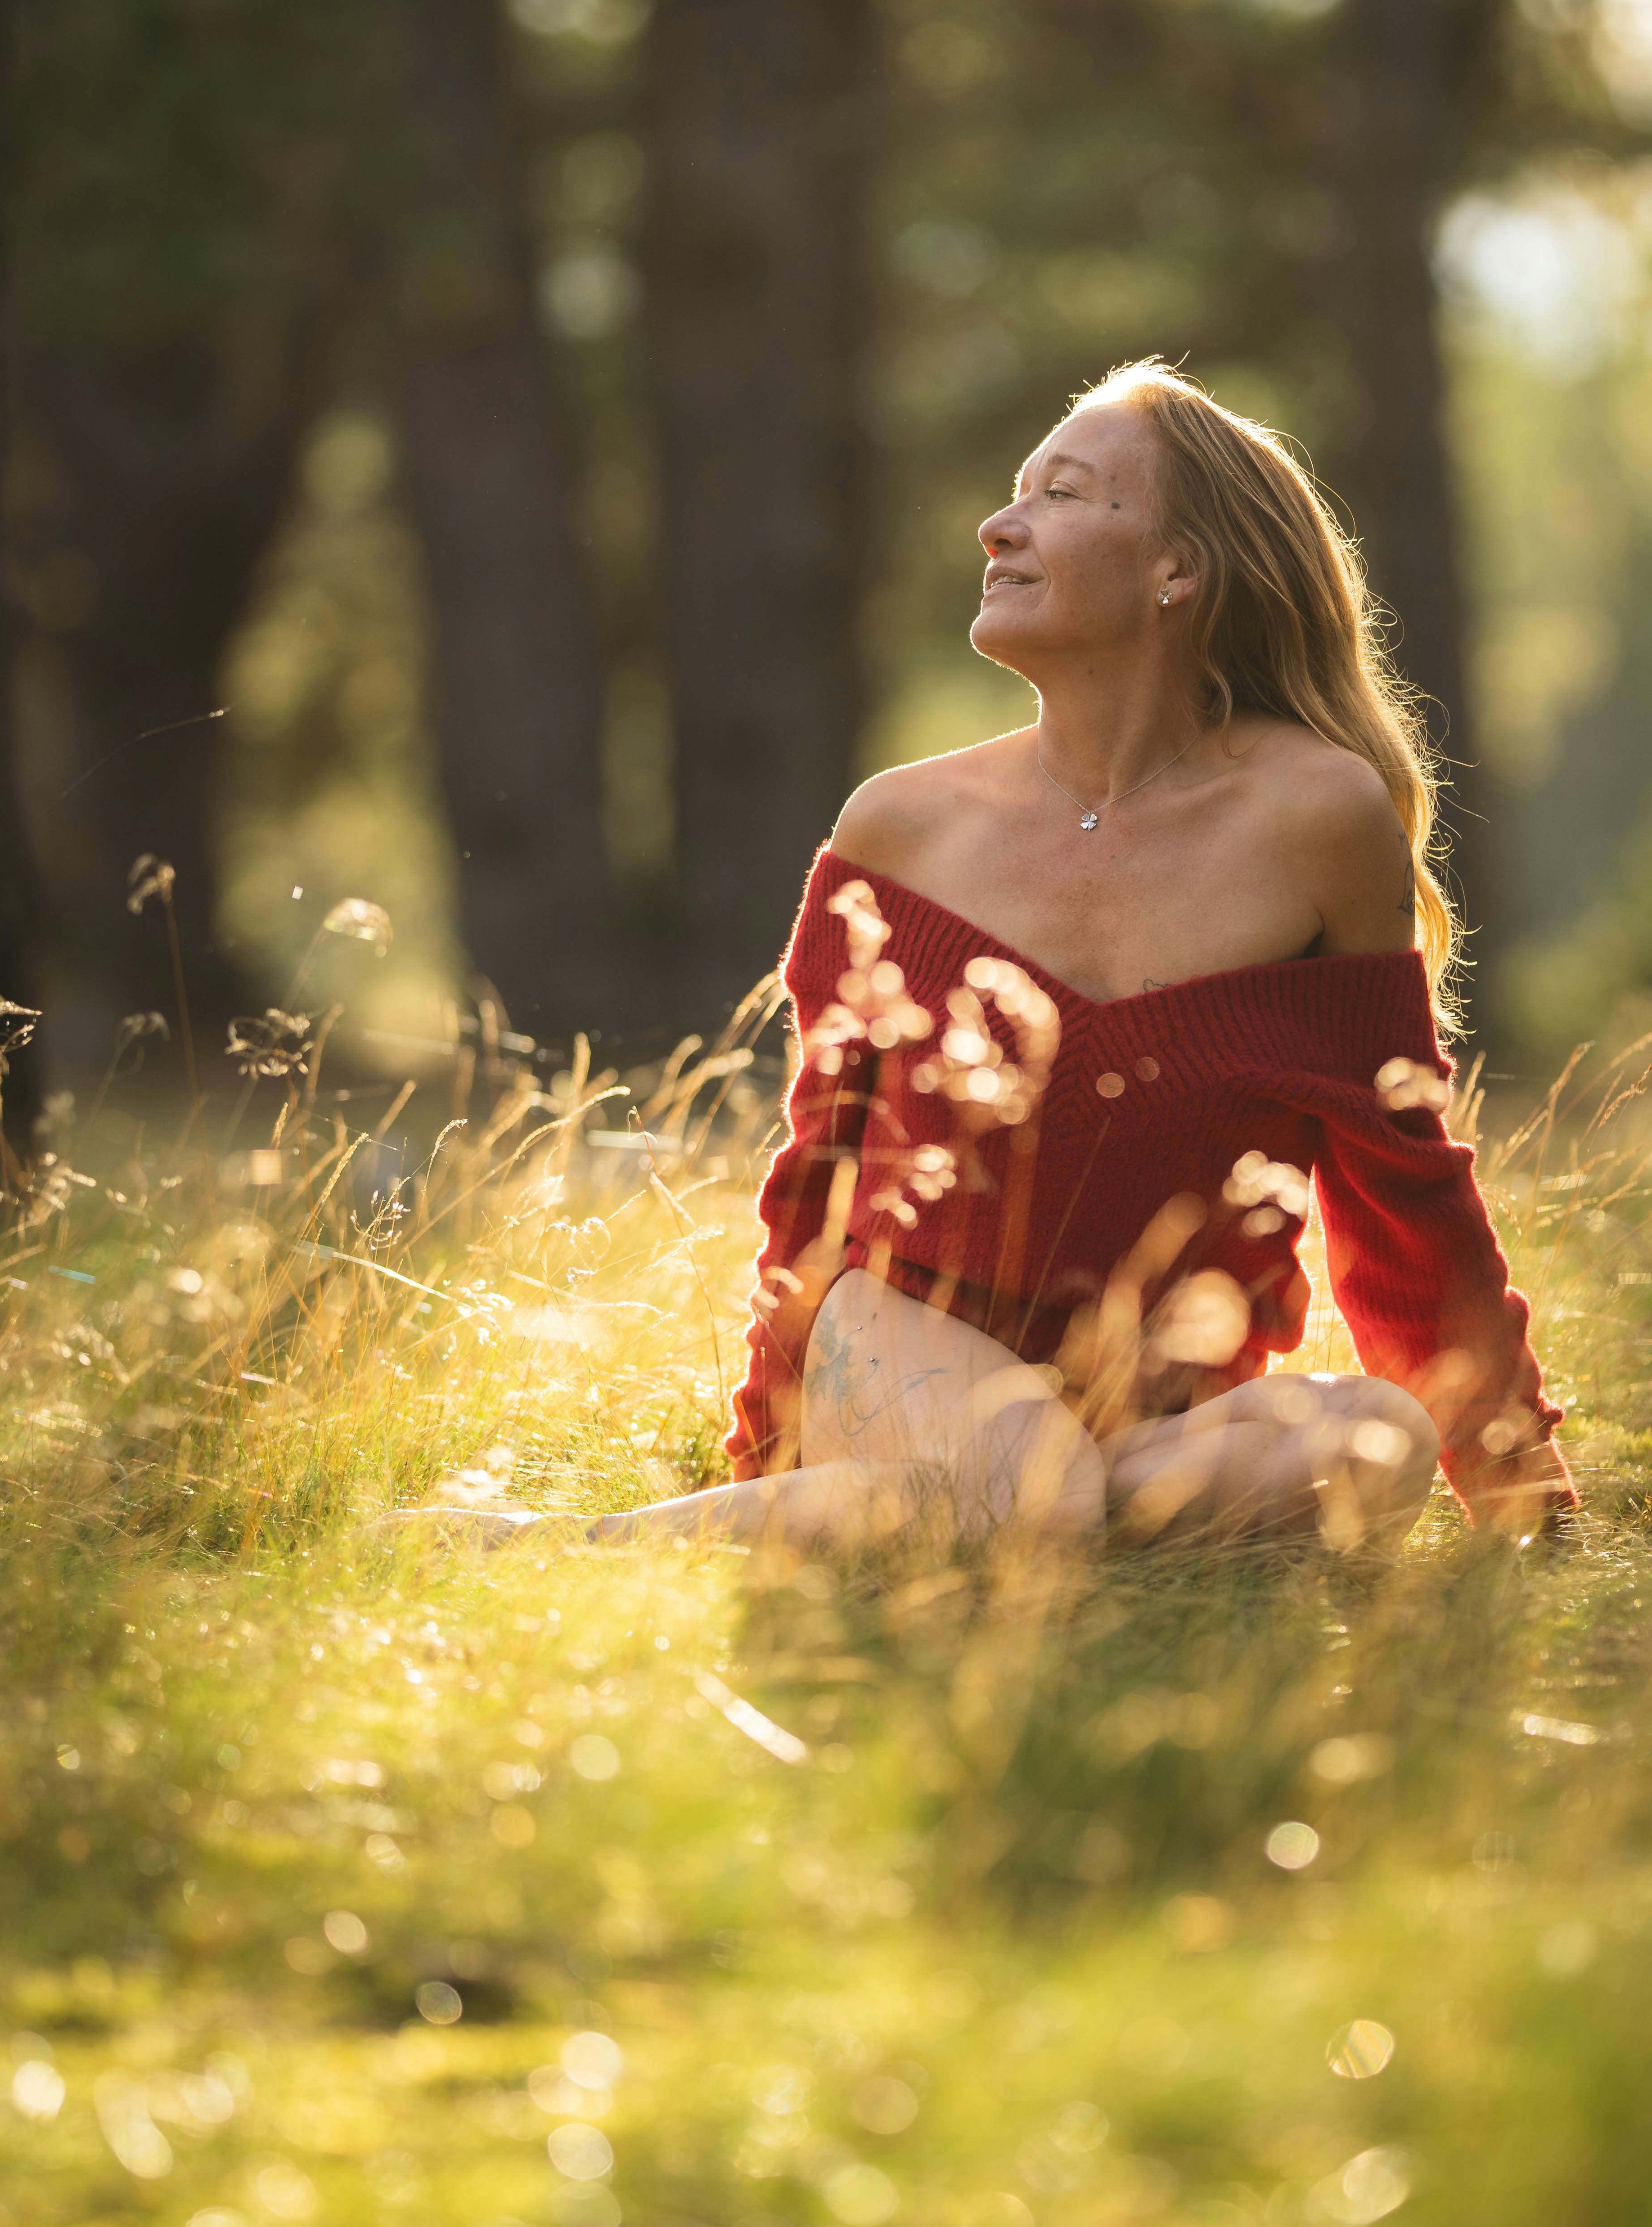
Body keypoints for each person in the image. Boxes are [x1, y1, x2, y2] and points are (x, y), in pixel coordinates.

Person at [416, 359, 1575, 1556]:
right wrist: (775, 1429)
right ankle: (561, 1549)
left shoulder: (1319, 821)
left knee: (1374, 1441)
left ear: (1178, 570)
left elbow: (1403, 1187)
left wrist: (1521, 1495)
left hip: (1158, 1401)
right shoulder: (898, 831)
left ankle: (903, 1524)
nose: (997, 524)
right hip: (899, 1335)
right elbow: (818, 1170)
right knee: (1034, 1493)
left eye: (1063, 496)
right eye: (1014, 492)